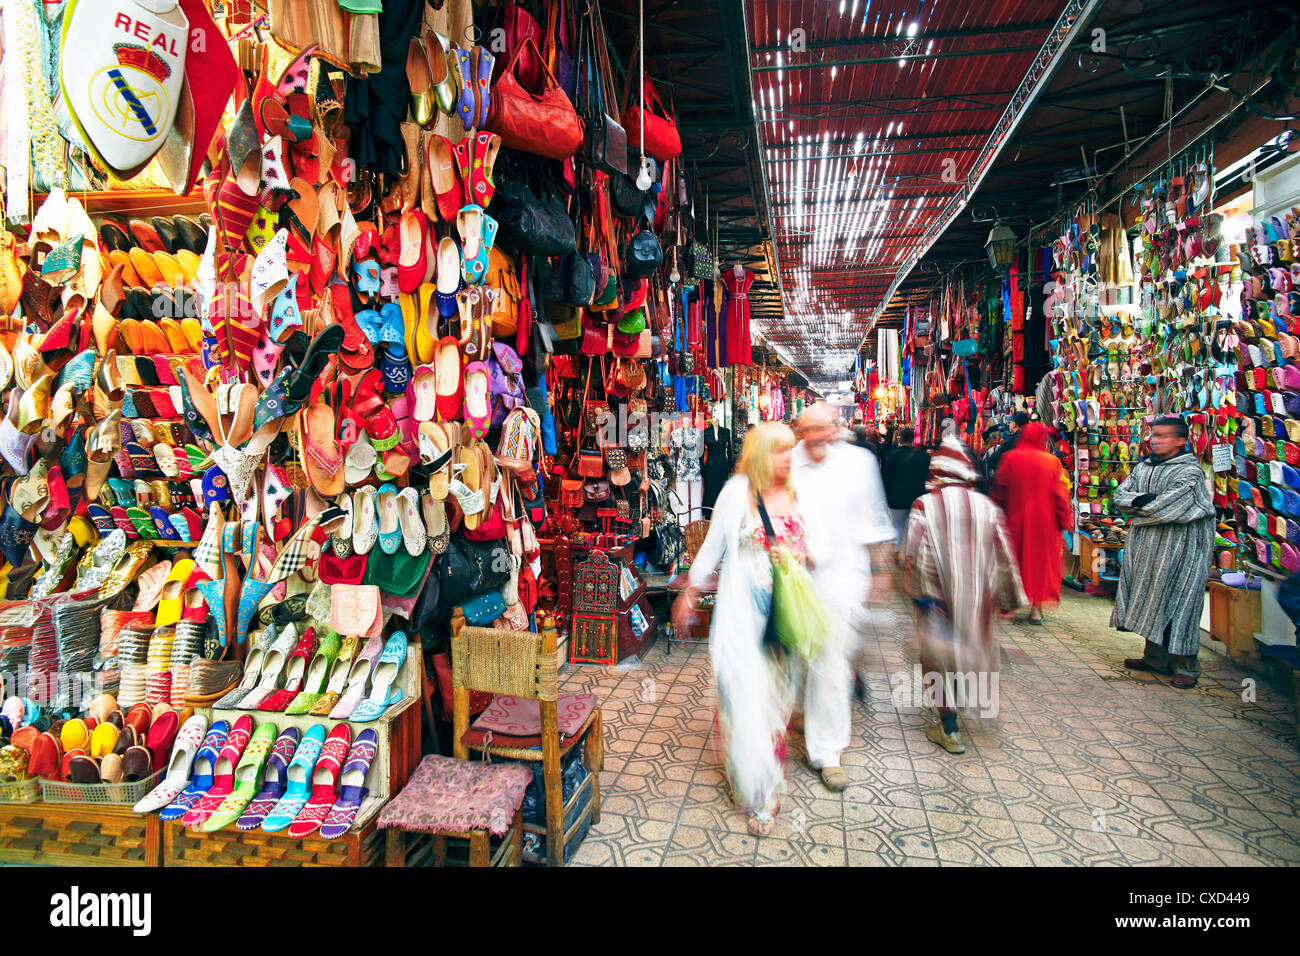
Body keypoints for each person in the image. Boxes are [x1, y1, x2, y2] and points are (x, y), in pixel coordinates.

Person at [672, 422, 804, 835]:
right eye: (779, 451)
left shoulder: (797, 493)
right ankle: (760, 791)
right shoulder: (735, 493)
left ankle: (757, 776)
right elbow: (713, 548)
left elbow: (811, 548)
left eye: (790, 451)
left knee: (772, 707)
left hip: (782, 618)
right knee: (741, 704)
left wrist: (796, 556)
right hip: (740, 619)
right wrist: (689, 592)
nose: (787, 459)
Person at [790, 403, 894, 791]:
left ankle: (828, 752)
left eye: (823, 429)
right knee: (800, 657)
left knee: (831, 665)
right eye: (808, 430)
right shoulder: (788, 462)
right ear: (800, 432)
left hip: (842, 581)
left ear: (837, 428)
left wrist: (881, 571)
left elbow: (873, 520)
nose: (816, 437)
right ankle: (805, 711)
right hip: (796, 581)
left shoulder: (858, 464)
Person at [903, 437, 1026, 754]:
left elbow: (916, 554)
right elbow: (1005, 556)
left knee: (937, 659)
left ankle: (949, 726)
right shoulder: (988, 507)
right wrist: (1009, 599)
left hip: (938, 601)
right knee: (973, 649)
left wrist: (920, 595)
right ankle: (975, 707)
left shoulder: (924, 505)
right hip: (979, 600)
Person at [1112, 416, 1214, 688]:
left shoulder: (1189, 472)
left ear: (1181, 440)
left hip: (1183, 550)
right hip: (1150, 548)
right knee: (1151, 597)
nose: (1155, 440)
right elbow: (1120, 495)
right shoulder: (1144, 466)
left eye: (1163, 436)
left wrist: (1138, 506)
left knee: (1180, 603)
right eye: (1154, 435)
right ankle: (1155, 658)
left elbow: (1167, 508)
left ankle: (1186, 666)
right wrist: (1140, 502)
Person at [992, 422, 1073, 624]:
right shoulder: (1053, 463)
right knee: (1040, 564)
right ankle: (1036, 610)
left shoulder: (1010, 458)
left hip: (1015, 520)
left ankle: (1009, 605)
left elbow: (1000, 490)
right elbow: (1059, 496)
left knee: (1014, 561)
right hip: (1044, 523)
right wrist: (1065, 520)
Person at [882, 426, 930, 554]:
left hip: (896, 498)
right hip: (915, 497)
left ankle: (896, 551)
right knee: (911, 527)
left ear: (901, 439)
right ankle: (909, 556)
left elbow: (886, 477)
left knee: (897, 525)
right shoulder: (924, 457)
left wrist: (886, 496)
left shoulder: (892, 456)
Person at [984, 411, 1030, 482]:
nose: (1009, 424)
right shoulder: (1030, 440)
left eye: (1010, 422)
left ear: (1014, 424)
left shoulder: (1012, 442)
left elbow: (992, 461)